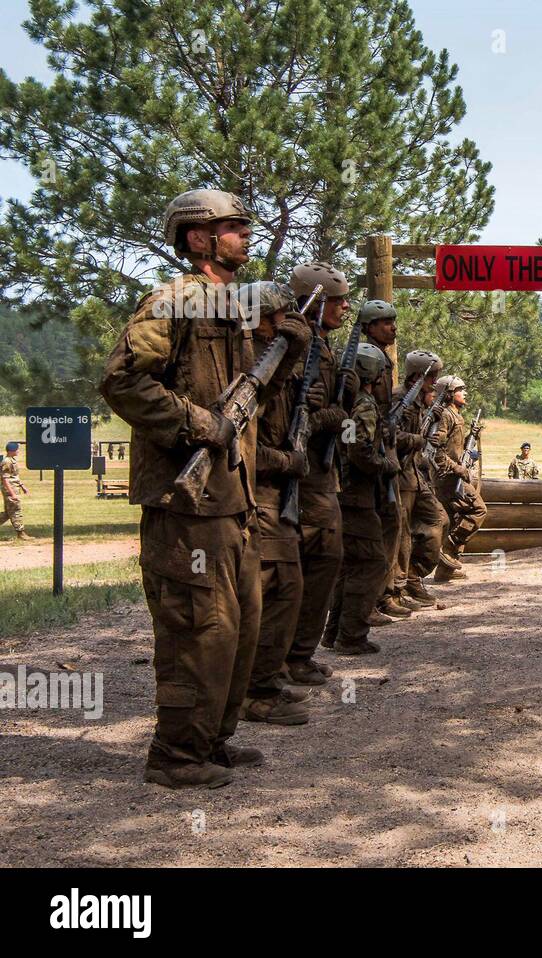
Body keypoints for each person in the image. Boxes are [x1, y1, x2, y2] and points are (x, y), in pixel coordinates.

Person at [99, 188, 311, 789]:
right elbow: (121, 381)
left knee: (240, 624)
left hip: (232, 500)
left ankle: (212, 741)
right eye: (234, 227)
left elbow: (248, 407)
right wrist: (197, 423)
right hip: (187, 503)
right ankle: (174, 754)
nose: (246, 235)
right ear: (199, 237)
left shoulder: (234, 312)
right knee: (201, 626)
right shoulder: (172, 302)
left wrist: (287, 355)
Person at [240, 281, 312, 726]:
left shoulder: (274, 370)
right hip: (260, 499)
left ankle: (263, 683)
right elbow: (245, 447)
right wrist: (290, 462)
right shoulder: (252, 370)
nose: (285, 324)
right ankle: (256, 692)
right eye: (278, 317)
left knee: (285, 590)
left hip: (274, 498)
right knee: (277, 592)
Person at [282, 260, 351, 686]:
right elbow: (299, 409)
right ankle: (289, 657)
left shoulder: (319, 343)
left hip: (319, 471)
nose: (344, 309)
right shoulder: (302, 343)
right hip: (303, 473)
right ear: (319, 302)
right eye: (338, 301)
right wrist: (333, 415)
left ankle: (298, 654)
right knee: (318, 560)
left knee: (324, 561)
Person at [323, 342, 397, 656]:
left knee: (351, 565)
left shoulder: (352, 402)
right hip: (357, 496)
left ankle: (334, 632)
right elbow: (360, 453)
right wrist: (387, 464)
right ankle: (350, 635)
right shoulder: (364, 404)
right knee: (372, 562)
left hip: (346, 493)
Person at [356, 299, 412, 621]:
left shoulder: (383, 358)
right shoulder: (365, 358)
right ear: (370, 327)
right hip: (371, 451)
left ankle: (386, 593)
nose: (392, 327)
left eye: (392, 321)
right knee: (380, 528)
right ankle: (374, 600)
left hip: (383, 445)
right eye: (385, 322)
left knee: (393, 523)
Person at [392, 350, 443, 609]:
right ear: (417, 375)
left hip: (415, 475)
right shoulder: (401, 399)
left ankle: (413, 576)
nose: (435, 381)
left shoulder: (420, 402)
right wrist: (420, 440)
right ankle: (396, 591)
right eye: (431, 376)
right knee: (400, 536)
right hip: (400, 476)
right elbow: (390, 435)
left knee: (437, 520)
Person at [430, 374, 488, 579]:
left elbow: (454, 448)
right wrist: (459, 469)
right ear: (449, 394)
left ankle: (446, 570)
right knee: (478, 510)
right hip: (448, 478)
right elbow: (437, 453)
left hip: (453, 476)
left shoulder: (456, 416)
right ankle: (448, 548)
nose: (465, 393)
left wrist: (472, 438)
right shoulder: (445, 415)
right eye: (460, 390)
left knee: (457, 518)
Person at [1, 441, 34, 541]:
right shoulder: (6, 461)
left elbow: (14, 477)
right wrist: (12, 494)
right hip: (10, 490)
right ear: (12, 450)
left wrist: (22, 486)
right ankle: (21, 533)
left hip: (14, 488)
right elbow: (5, 479)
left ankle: (20, 532)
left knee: (8, 513)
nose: (18, 451)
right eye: (17, 449)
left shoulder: (12, 460)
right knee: (16, 510)